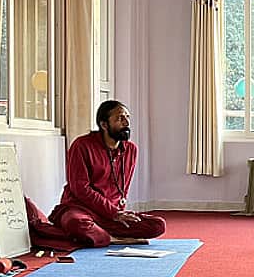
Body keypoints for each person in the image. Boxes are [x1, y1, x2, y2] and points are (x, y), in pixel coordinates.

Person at [49, 100, 166, 248]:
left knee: (157, 225)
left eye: (127, 117)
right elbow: (80, 188)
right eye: (119, 118)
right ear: (104, 125)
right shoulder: (82, 145)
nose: (126, 122)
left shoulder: (131, 149)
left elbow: (123, 188)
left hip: (110, 215)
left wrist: (119, 215)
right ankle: (111, 237)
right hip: (80, 209)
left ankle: (100, 234)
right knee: (76, 223)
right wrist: (114, 213)